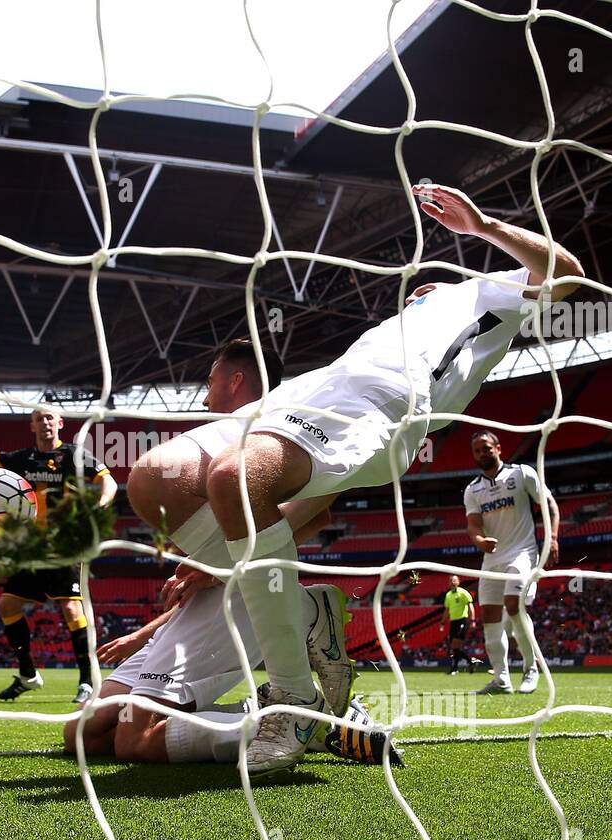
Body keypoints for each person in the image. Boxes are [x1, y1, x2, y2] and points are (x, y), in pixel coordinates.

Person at [124, 183, 583, 774]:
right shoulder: (408, 317)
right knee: (154, 478)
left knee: (237, 477)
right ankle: (306, 614)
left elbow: (568, 275)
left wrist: (481, 228)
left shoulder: (487, 292)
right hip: (318, 386)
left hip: (382, 405)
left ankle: (293, 699)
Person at [61, 340, 380, 765]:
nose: (206, 396)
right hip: (198, 608)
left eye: (210, 382)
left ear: (236, 380)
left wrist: (214, 569)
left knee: (133, 742)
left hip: (239, 600)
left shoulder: (282, 434)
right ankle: (273, 713)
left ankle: (310, 721)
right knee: (82, 736)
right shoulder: (218, 442)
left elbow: (315, 515)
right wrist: (143, 634)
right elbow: (202, 571)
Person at [0, 399, 116, 704]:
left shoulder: (73, 455)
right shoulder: (24, 459)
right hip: (30, 547)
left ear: (60, 424)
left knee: (71, 609)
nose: (45, 423)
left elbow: (106, 481)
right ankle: (28, 674)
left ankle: (86, 680)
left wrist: (97, 506)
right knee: (7, 606)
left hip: (63, 544)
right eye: (39, 418)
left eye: (50, 418)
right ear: (32, 425)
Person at [463, 429, 561, 694]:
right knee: (490, 618)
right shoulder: (472, 490)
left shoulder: (521, 473)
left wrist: (551, 538)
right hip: (492, 559)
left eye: (486, 447)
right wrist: (480, 541)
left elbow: (550, 504)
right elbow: (473, 525)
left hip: (523, 553)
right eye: (477, 450)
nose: (482, 453)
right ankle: (501, 678)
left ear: (498, 448)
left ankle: (531, 669)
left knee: (513, 605)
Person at [442, 574, 478, 675]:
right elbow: (447, 610)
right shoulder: (448, 595)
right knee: (455, 646)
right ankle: (468, 662)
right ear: (449, 583)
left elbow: (471, 606)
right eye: (451, 581)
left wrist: (473, 621)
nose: (453, 582)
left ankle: (455, 668)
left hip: (462, 620)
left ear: (458, 582)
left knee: (455, 644)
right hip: (453, 622)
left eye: (454, 580)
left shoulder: (463, 593)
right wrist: (443, 621)